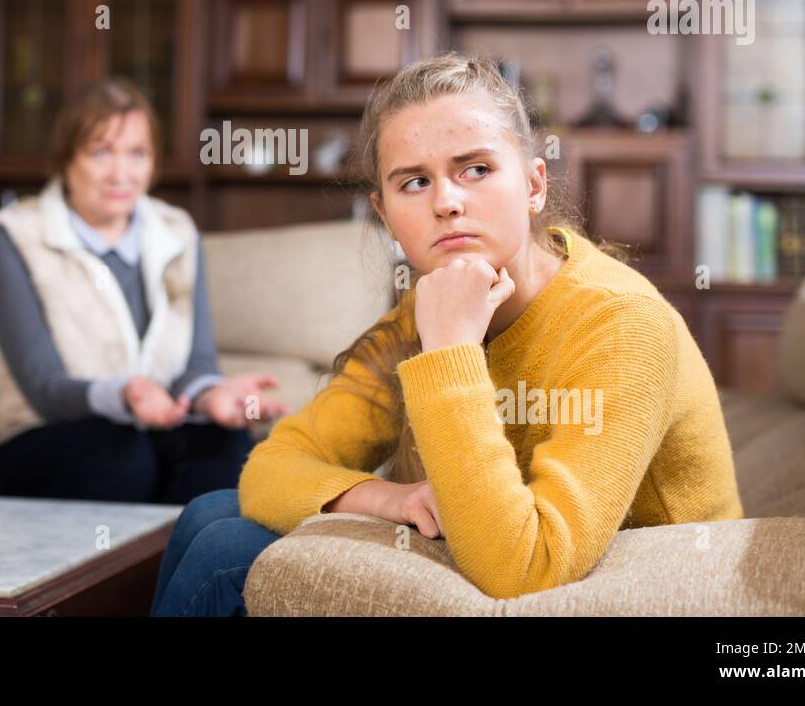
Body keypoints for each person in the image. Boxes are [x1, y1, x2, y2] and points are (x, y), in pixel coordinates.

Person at [151, 51, 743, 616]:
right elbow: (272, 466)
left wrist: (453, 350)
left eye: (477, 169)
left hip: (633, 587)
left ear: (534, 186)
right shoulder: (424, 312)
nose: (448, 202)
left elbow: (527, 568)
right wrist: (392, 500)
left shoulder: (620, 324)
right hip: (500, 550)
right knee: (211, 514)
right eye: (414, 183)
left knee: (225, 554)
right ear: (383, 216)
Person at [0, 78, 287, 504]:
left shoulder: (177, 232)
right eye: (101, 152)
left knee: (227, 448)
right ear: (66, 159)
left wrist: (211, 395)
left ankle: (181, 572)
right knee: (121, 454)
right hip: (16, 439)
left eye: (137, 154)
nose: (121, 174)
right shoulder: (13, 236)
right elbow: (44, 388)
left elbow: (196, 362)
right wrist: (127, 394)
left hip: (141, 436)